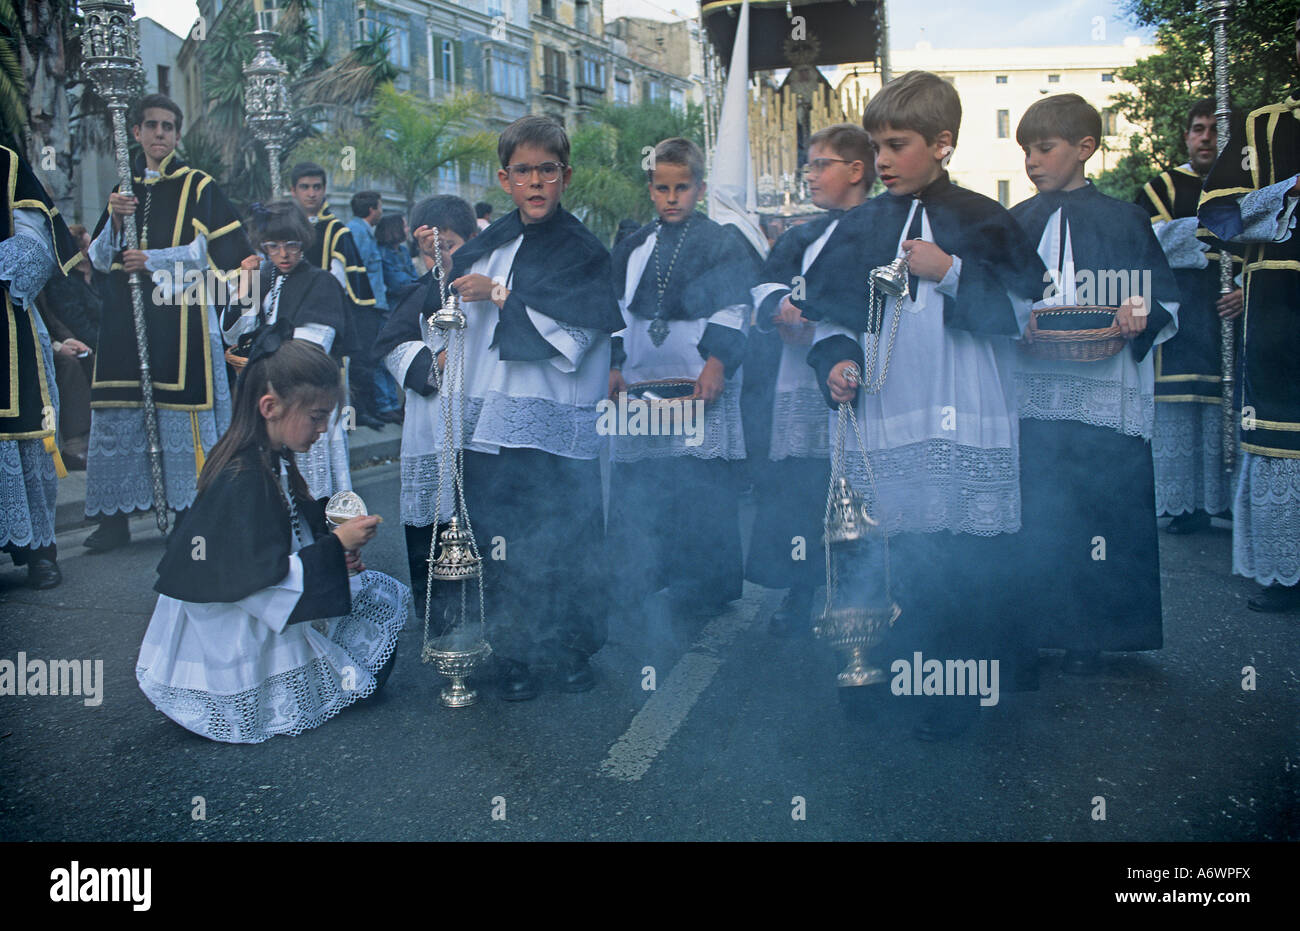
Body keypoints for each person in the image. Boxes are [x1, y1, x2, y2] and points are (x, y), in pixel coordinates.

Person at [802, 72, 1047, 739]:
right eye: (876, 145)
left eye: (897, 144)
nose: (880, 159)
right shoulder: (862, 224)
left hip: (963, 405)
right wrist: (838, 361)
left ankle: (959, 693)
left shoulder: (982, 216)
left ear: (942, 143)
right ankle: (878, 676)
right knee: (888, 547)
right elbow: (828, 317)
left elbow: (1026, 313)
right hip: (886, 407)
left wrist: (952, 271)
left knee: (957, 554)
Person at [393, 115, 624, 701]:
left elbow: (578, 334)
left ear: (565, 176)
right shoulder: (485, 244)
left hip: (551, 426)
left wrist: (498, 295)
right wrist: (435, 349)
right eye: (523, 171)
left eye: (547, 169)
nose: (536, 182)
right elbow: (423, 314)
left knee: (562, 540)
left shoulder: (583, 250)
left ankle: (570, 650)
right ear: (504, 179)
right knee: (502, 545)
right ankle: (515, 654)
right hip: (489, 429)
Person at [136, 332, 411, 743]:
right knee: (360, 668)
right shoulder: (242, 478)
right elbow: (255, 577)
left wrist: (334, 544)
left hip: (256, 593)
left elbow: (284, 531)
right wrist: (335, 548)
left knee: (372, 597)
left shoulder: (266, 454)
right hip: (230, 623)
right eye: (317, 417)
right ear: (270, 407)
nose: (323, 429)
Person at [1011, 94, 1180, 675]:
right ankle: (1035, 624)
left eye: (1044, 147)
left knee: (1101, 510)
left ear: (1085, 148)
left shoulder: (1125, 219)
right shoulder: (1014, 223)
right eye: (1026, 150)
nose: (1032, 160)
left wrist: (1140, 305)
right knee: (1038, 510)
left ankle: (1097, 631)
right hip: (1032, 390)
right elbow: (998, 297)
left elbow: (1160, 293)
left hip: (1104, 390)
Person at [83, 94, 254, 552]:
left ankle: (186, 507)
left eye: (168, 127)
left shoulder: (198, 185)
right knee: (123, 410)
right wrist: (116, 223)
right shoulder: (122, 187)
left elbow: (212, 255)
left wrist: (152, 259)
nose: (160, 134)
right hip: (124, 316)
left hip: (179, 316)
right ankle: (114, 517)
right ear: (135, 133)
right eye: (151, 126)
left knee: (177, 412)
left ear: (177, 135)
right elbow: (100, 260)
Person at [607, 137, 760, 617]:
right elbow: (611, 311)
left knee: (698, 487)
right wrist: (612, 364)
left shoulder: (720, 242)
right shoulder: (631, 246)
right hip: (638, 383)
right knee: (641, 484)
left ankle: (702, 585)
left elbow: (736, 305)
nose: (671, 198)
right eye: (662, 188)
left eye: (682, 188)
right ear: (650, 190)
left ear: (700, 188)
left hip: (698, 381)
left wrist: (717, 362)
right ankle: (639, 579)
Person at [746, 123, 875, 637]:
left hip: (860, 375)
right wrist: (781, 307)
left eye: (822, 164)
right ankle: (801, 590)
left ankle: (862, 592)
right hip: (797, 381)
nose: (811, 174)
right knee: (801, 489)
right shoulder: (801, 234)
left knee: (859, 487)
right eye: (810, 164)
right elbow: (762, 285)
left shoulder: (882, 230)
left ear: (856, 169)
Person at [1198, 25, 1300, 613]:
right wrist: (1290, 193)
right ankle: (1288, 572)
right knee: (1285, 436)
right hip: (1284, 303)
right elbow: (1218, 218)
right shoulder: (1268, 125)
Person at [1138, 98, 1243, 534]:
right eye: (1198, 129)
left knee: (1227, 411)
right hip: (1179, 323)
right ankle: (1185, 507)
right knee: (1181, 414)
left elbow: (1265, 246)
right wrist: (1215, 231)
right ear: (1186, 136)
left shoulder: (1249, 188)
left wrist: (1246, 289)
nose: (1205, 137)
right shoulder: (1162, 187)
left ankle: (1226, 503)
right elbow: (1154, 242)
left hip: (1230, 318)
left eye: (1215, 130)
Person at [374, 194, 476, 628]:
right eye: (435, 245)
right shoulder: (419, 293)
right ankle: (439, 619)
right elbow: (389, 345)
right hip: (429, 421)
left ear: (470, 241)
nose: (443, 253)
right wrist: (433, 363)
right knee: (430, 524)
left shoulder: (484, 286)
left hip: (475, 424)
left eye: (451, 244)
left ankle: (486, 616)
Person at [225, 200, 353, 498]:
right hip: (268, 397)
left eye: (291, 244)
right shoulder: (264, 278)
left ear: (304, 242)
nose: (282, 254)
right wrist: (245, 285)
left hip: (303, 395)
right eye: (272, 246)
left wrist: (263, 350)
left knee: (310, 487)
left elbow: (314, 345)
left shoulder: (322, 282)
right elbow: (234, 333)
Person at [0, 145, 81, 589]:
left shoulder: (7, 163)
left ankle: (39, 552)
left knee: (23, 437)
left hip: (7, 324)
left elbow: (38, 241)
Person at [288, 163, 382, 430]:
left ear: (324, 190)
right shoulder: (286, 228)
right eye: (304, 187)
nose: (311, 194)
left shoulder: (337, 231)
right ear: (293, 191)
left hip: (324, 322)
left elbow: (341, 283)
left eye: (317, 187)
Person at [346, 191, 402, 424]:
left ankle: (375, 409)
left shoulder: (364, 232)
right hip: (362, 307)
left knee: (373, 358)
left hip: (374, 306)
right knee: (364, 361)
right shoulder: (355, 232)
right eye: (379, 207)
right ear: (372, 209)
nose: (381, 211)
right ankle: (363, 412)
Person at [377, 212, 420, 308]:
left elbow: (413, 273)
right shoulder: (383, 253)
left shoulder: (403, 250)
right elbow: (396, 281)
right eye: (404, 226)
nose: (408, 229)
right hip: (392, 304)